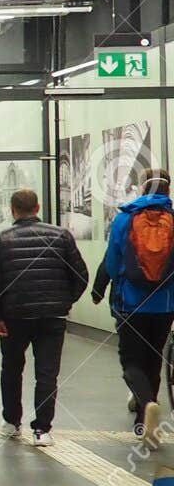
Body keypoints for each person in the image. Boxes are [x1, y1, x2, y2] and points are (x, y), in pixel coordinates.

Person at [0, 186, 89, 446]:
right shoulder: (61, 236)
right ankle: (42, 430)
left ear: (12, 210)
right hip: (52, 317)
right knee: (47, 373)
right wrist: (64, 302)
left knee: (11, 369)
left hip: (13, 318)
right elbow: (80, 276)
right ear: (38, 209)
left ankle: (11, 421)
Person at [93, 168, 174, 437]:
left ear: (142, 188)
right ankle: (143, 422)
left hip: (130, 303)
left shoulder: (125, 219)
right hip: (165, 305)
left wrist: (110, 286)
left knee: (131, 361)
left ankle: (147, 406)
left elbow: (113, 262)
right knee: (153, 357)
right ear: (168, 190)